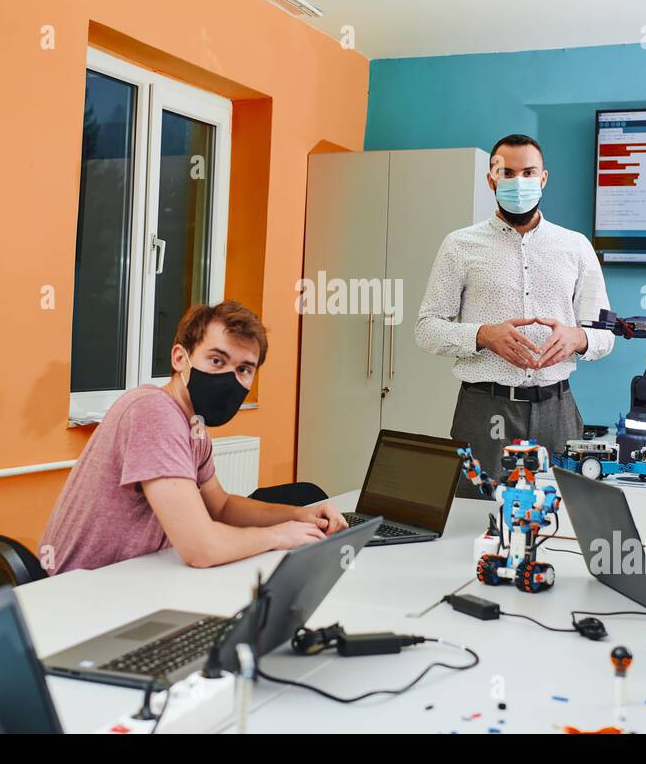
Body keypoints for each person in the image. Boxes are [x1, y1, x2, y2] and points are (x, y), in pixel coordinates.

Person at [41, 300, 347, 573]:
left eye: (244, 369)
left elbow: (222, 507)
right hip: (79, 595)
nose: (230, 377)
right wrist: (279, 536)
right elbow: (202, 549)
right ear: (180, 358)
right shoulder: (153, 411)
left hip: (129, 580)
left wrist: (300, 516)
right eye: (217, 360)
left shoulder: (194, 428)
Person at [415, 133, 614, 493]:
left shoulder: (575, 246)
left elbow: (605, 334)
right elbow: (427, 328)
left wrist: (579, 337)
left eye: (528, 172)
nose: (517, 182)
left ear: (543, 178)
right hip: (484, 410)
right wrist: (481, 335)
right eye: (506, 173)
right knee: (474, 515)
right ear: (491, 180)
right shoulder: (459, 245)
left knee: (564, 517)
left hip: (558, 411)